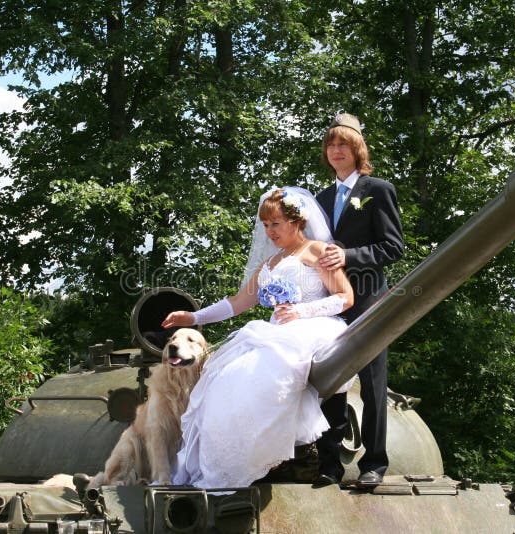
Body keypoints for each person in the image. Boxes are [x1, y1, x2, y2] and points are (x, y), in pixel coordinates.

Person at [161, 187, 354, 488]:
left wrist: (302, 312)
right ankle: (253, 464)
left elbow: (345, 297)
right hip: (274, 332)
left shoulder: (316, 251)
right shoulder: (269, 264)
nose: (269, 231)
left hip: (313, 327)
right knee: (224, 380)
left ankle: (293, 459)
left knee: (273, 376)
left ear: (296, 221)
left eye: (275, 223)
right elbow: (237, 303)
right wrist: (194, 317)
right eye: (265, 225)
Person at [315, 113, 404, 488]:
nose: (336, 151)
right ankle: (329, 466)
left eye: (343, 145)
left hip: (369, 299)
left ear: (357, 149)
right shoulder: (319, 198)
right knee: (329, 381)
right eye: (331, 145)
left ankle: (374, 464)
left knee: (371, 384)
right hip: (328, 302)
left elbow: (393, 247)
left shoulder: (377, 190)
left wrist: (349, 256)